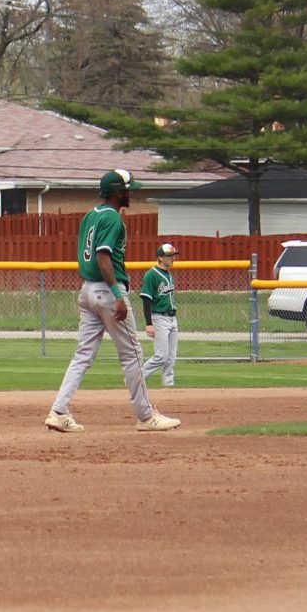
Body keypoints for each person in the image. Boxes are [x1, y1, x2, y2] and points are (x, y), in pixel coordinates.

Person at [47, 170, 182, 433]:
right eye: (127, 190)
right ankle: (146, 417)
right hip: (109, 291)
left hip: (87, 290)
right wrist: (118, 295)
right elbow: (102, 257)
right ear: (118, 192)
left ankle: (59, 411)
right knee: (132, 354)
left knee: (82, 355)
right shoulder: (112, 218)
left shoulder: (91, 215)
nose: (130, 193)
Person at [140, 241, 181, 388]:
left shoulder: (168, 274)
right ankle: (136, 378)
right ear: (160, 257)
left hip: (172, 318)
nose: (173, 258)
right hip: (159, 318)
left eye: (173, 255)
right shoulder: (151, 275)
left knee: (171, 358)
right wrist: (149, 324)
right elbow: (146, 300)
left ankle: (168, 387)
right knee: (161, 356)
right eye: (169, 256)